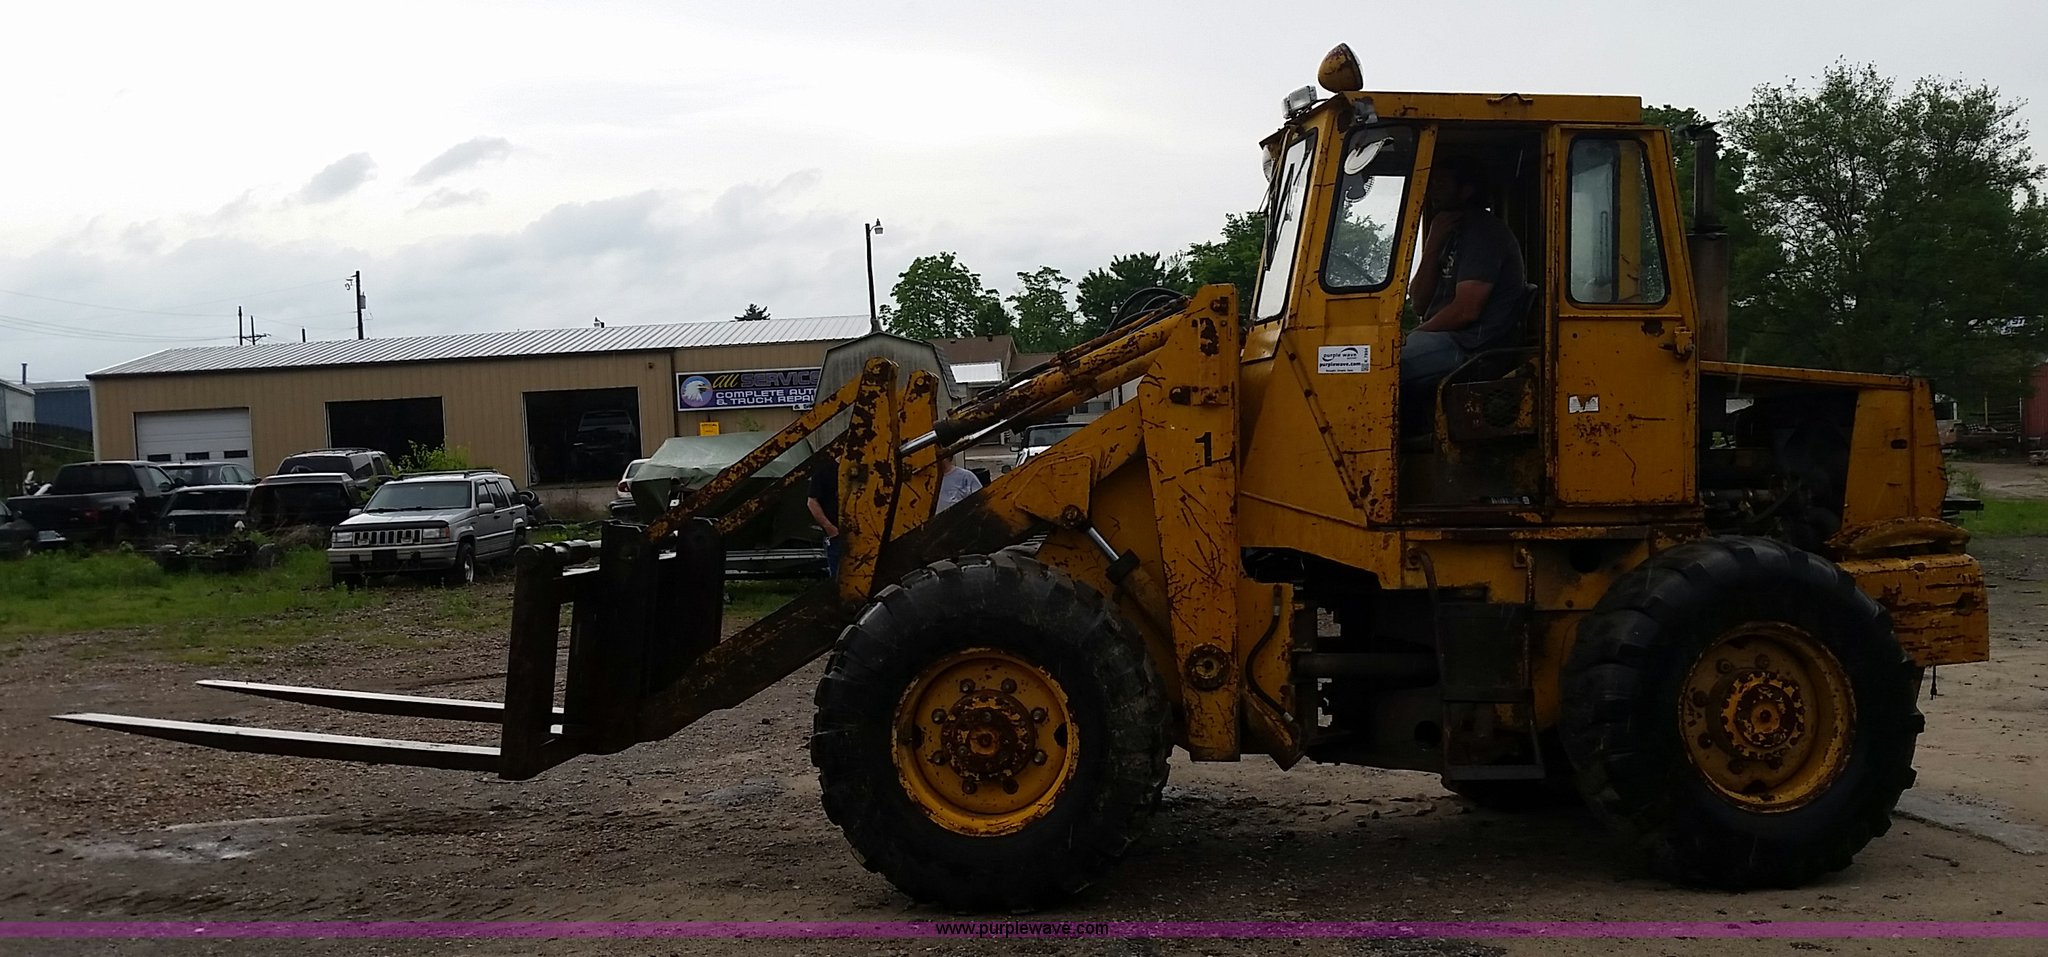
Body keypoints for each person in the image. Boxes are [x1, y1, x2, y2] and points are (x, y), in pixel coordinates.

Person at [1401, 156, 1529, 391]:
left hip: (1472, 347)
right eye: (1432, 182)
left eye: (1441, 183)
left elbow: (1466, 311)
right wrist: (1432, 244)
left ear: (1466, 190)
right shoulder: (1448, 233)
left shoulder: (1485, 235)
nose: (1432, 190)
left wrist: (1412, 335)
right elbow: (1419, 303)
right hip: (1444, 338)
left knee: (1386, 364)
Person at [807, 459, 840, 578]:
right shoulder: (824, 469)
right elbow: (812, 501)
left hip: (864, 532)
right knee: (838, 575)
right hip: (837, 534)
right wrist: (830, 528)